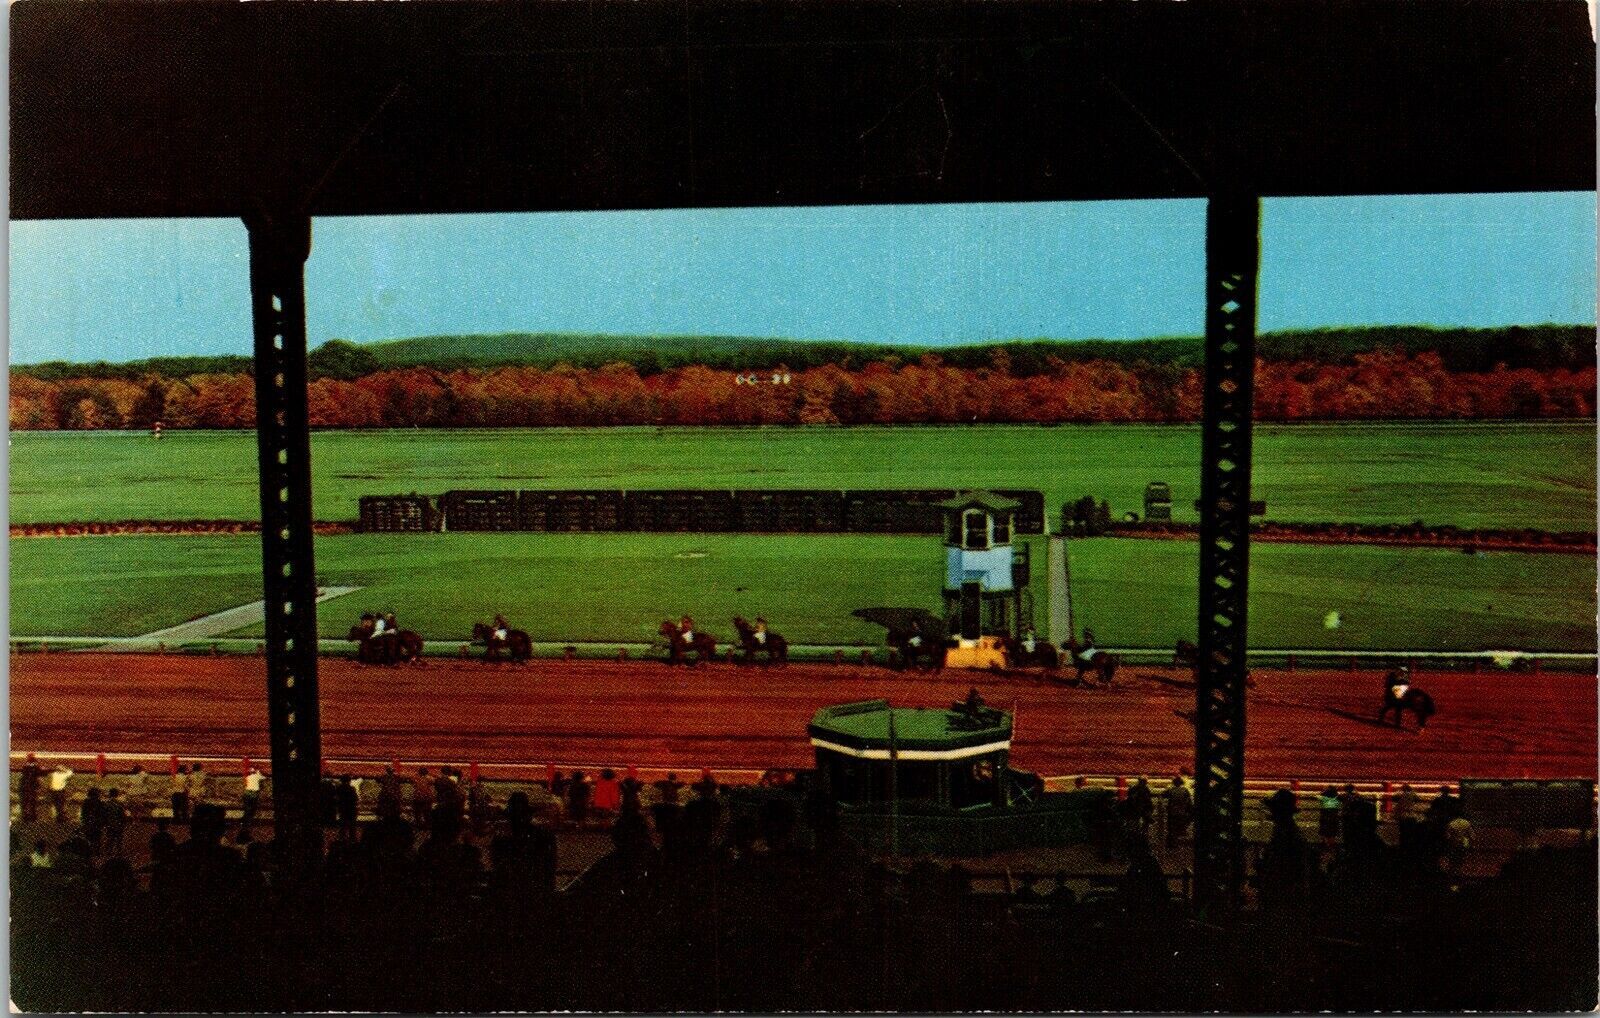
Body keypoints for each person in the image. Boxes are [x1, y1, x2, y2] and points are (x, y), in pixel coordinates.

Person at [1162, 775, 1193, 847]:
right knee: (1179, 828)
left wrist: (1169, 787)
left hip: (1172, 812)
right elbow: (1189, 802)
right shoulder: (1185, 790)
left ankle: (1171, 843)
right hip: (1181, 812)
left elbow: (1163, 794)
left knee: (1171, 828)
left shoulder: (1171, 790)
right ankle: (1177, 843)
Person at [79, 788, 106, 854]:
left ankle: (88, 851)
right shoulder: (100, 802)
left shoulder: (86, 802)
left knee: (88, 837)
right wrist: (102, 823)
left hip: (88, 822)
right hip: (97, 823)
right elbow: (103, 814)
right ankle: (97, 851)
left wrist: (83, 822)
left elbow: (83, 813)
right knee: (97, 838)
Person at [103, 788, 128, 856]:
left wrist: (105, 823)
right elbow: (122, 815)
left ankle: (109, 852)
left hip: (109, 824)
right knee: (119, 840)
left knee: (110, 839)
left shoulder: (106, 804)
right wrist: (123, 823)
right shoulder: (120, 804)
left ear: (109, 794)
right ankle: (119, 853)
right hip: (118, 824)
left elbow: (104, 815)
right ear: (117, 794)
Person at [241, 765, 265, 834]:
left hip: (247, 793)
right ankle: (248, 821)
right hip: (254, 794)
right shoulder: (257, 776)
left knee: (247, 808)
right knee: (252, 808)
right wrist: (259, 772)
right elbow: (264, 778)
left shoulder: (248, 777)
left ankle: (244, 822)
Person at [1317, 785, 1342, 851]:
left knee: (1324, 831)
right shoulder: (1337, 798)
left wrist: (1323, 791)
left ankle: (1325, 845)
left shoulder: (1323, 798)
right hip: (1333, 817)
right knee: (1332, 832)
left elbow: (1318, 795)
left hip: (1325, 817)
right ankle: (1331, 846)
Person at [19, 754, 41, 823]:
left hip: (25, 788)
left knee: (25, 803)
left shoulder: (25, 768)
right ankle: (33, 817)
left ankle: (26, 817)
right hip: (32, 788)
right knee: (32, 803)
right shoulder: (35, 768)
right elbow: (39, 772)